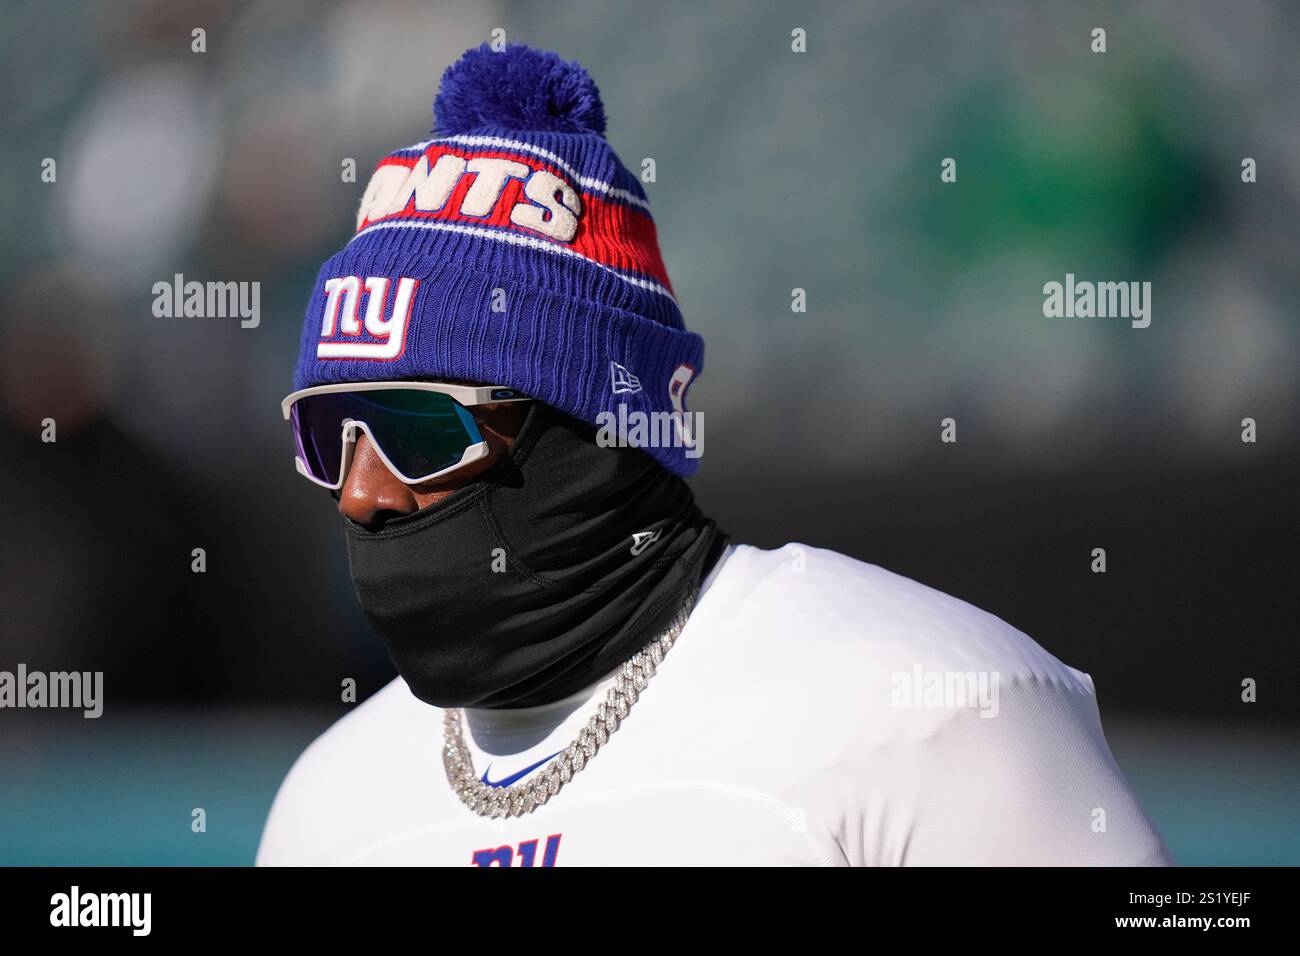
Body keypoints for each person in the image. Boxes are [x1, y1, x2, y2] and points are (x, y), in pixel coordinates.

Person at [257, 43, 1172, 866]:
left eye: (419, 429)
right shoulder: (327, 808)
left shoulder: (928, 713)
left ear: (605, 421)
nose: (360, 494)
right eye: (329, 435)